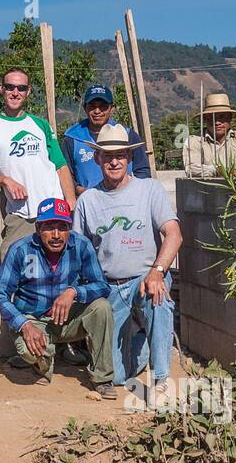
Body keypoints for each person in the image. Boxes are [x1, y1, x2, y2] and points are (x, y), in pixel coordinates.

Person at [75, 124, 182, 403]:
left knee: (159, 297)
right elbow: (79, 251)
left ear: (129, 158)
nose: (114, 161)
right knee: (118, 375)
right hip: (109, 287)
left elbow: (174, 234)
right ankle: (143, 343)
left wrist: (158, 271)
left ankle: (160, 380)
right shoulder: (88, 200)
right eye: (108, 156)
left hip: (144, 279)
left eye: (120, 155)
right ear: (97, 159)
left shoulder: (149, 189)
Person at [0, 198, 113, 389]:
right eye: (49, 227)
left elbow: (102, 286)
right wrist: (24, 325)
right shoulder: (20, 250)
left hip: (68, 319)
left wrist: (74, 291)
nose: (56, 235)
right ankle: (39, 360)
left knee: (102, 307)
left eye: (62, 227)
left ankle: (103, 378)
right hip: (35, 320)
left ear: (69, 228)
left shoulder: (81, 245)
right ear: (38, 228)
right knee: (29, 351)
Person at [0, 68, 77, 259]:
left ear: (28, 91)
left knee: (59, 266)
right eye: (10, 87)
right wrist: (5, 180)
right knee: (9, 262)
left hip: (53, 209)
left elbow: (60, 164)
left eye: (21, 88)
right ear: (1, 89)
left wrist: (71, 200)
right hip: (20, 214)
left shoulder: (41, 125)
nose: (15, 93)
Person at [63, 83, 151, 193]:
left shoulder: (127, 135)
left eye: (103, 106)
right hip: (89, 203)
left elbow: (142, 171)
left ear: (111, 108)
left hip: (124, 200)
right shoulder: (72, 139)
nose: (97, 111)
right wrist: (84, 193)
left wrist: (130, 193)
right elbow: (66, 175)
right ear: (85, 108)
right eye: (92, 106)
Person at [183, 92, 236, 178]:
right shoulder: (194, 141)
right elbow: (190, 168)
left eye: (221, 117)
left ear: (229, 118)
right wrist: (218, 171)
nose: (217, 122)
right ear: (205, 119)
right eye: (211, 117)